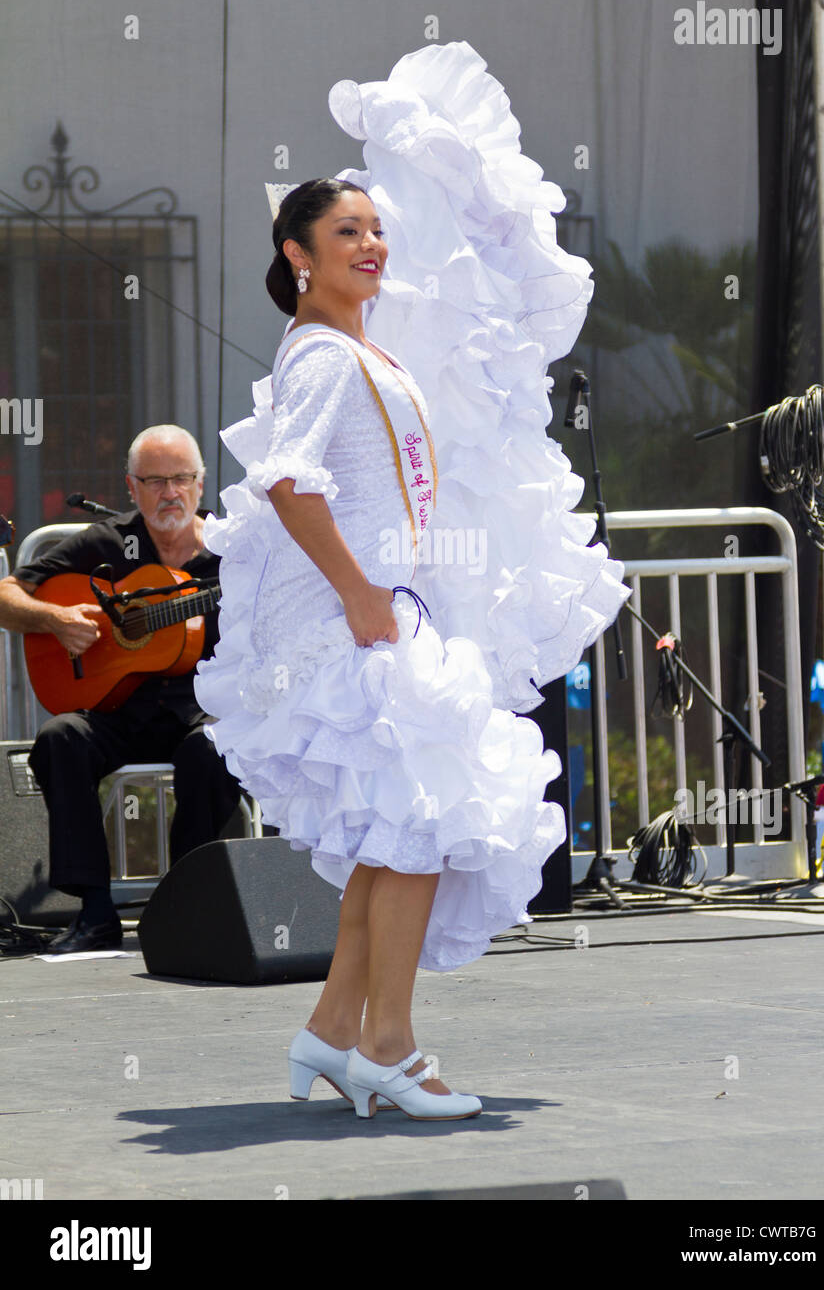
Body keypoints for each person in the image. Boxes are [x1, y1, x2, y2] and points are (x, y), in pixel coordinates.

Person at [194, 163, 627, 1120]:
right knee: (422, 824)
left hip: (381, 612)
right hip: (349, 622)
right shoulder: (321, 353)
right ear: (299, 255)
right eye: (347, 233)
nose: (371, 246)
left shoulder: (359, 348)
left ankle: (335, 1031)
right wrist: (358, 594)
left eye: (376, 229)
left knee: (397, 835)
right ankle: (387, 1047)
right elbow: (288, 481)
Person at [0, 426, 243, 953]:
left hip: (199, 709)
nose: (170, 493)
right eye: (155, 481)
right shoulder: (107, 542)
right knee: (61, 738)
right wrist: (54, 619)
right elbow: (6, 595)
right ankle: (94, 913)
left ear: (201, 484)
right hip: (118, 709)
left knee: (213, 750)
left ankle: (186, 904)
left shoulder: (232, 552)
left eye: (181, 479)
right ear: (131, 487)